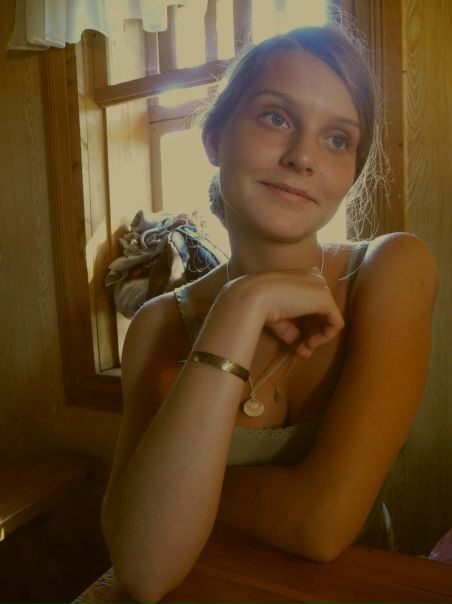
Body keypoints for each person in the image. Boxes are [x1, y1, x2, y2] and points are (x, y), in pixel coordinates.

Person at [101, 22, 438, 603]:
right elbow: (143, 569)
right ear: (214, 138)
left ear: (350, 174)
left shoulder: (392, 270)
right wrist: (241, 304)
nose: (303, 157)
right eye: (275, 117)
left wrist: (177, 498)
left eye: (338, 139)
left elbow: (322, 526)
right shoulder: (158, 326)